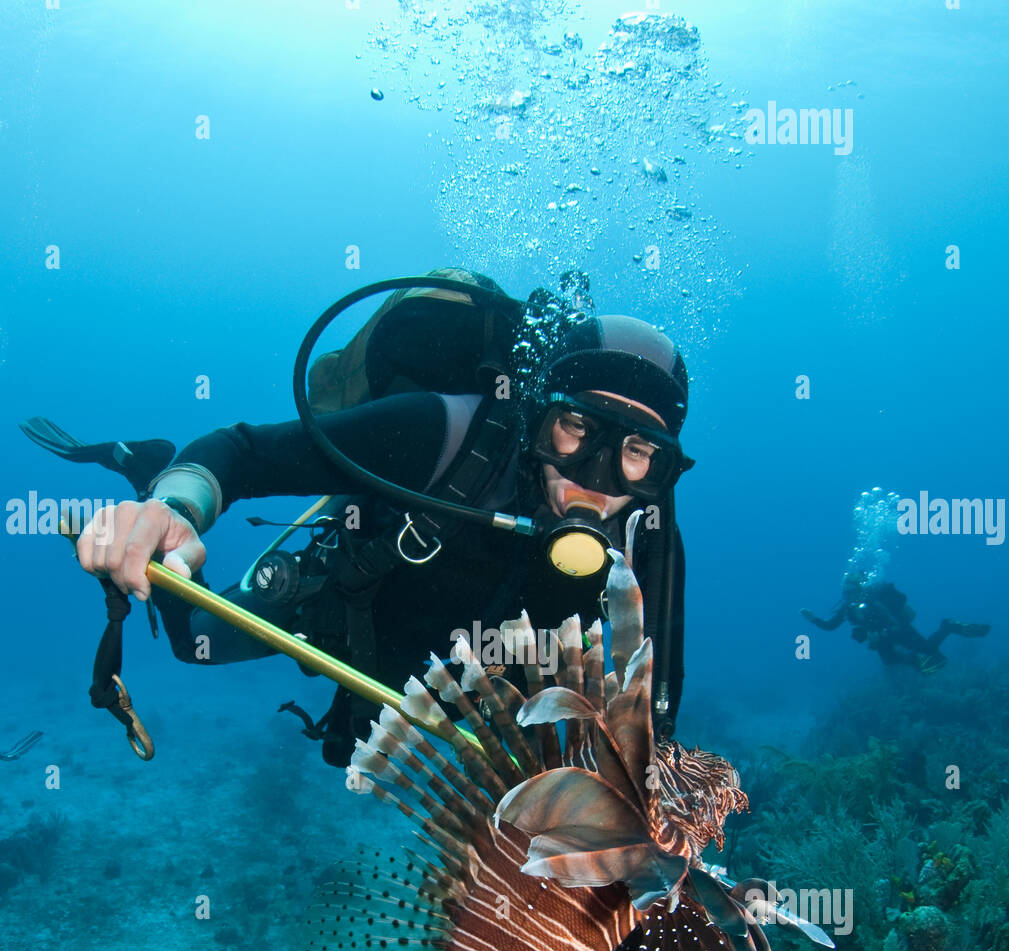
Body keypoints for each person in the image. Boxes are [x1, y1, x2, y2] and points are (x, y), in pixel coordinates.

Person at [25, 280, 694, 763]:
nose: (596, 476)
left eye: (638, 453)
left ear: (662, 468)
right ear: (535, 412)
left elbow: (655, 709)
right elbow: (244, 452)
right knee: (191, 642)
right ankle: (146, 467)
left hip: (466, 678)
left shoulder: (648, 525)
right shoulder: (445, 431)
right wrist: (171, 508)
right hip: (344, 609)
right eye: (576, 428)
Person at [801, 571, 990, 674]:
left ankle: (947, 627)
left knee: (929, 648)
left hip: (898, 631)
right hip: (880, 639)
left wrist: (883, 632)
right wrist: (813, 618)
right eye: (845, 593)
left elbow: (895, 622)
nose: (847, 596)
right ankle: (917, 661)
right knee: (889, 661)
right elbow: (830, 626)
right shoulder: (847, 608)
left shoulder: (874, 602)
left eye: (850, 592)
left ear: (859, 590)